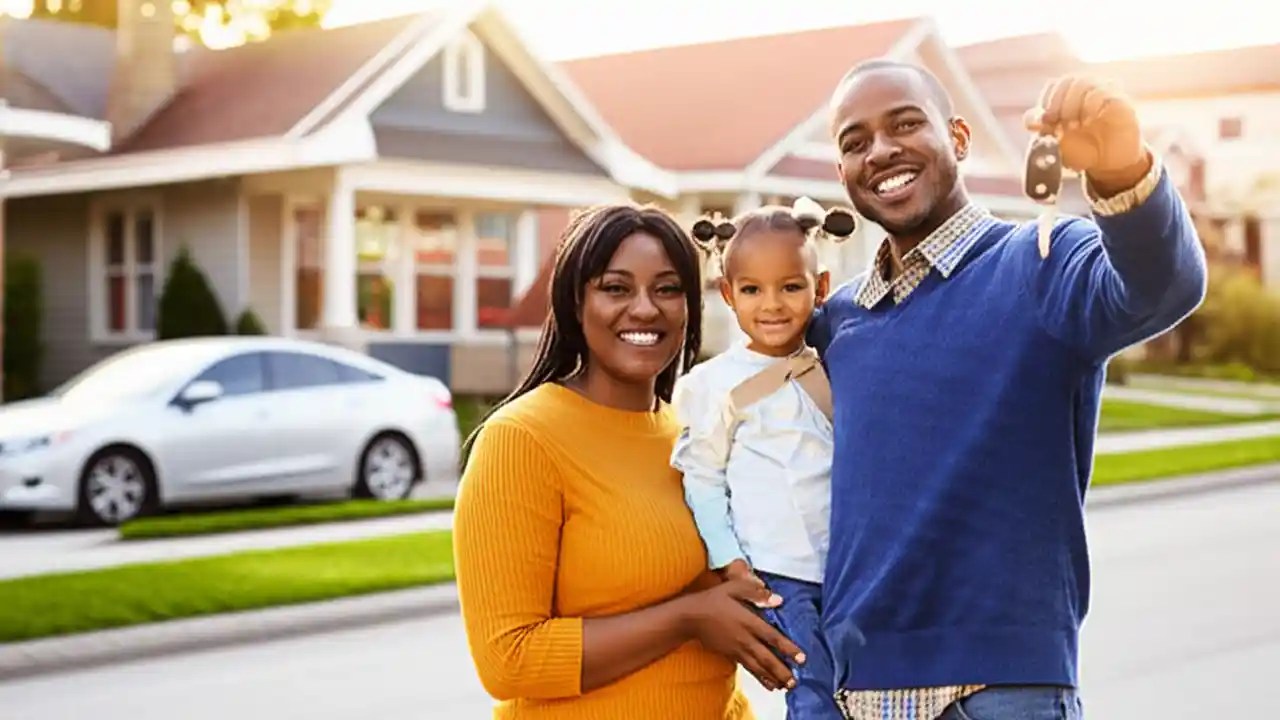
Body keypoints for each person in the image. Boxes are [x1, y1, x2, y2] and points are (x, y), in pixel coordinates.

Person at [808, 61, 1208, 720]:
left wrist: (1122, 170)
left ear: (959, 138)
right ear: (843, 174)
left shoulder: (1043, 261)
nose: (880, 150)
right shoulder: (837, 323)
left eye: (905, 124)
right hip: (856, 696)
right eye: (855, 142)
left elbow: (1165, 285)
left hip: (999, 693)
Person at [453, 203, 806, 720]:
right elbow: (509, 660)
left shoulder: (695, 431)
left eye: (667, 289)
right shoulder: (522, 439)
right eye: (616, 288)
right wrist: (688, 618)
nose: (644, 309)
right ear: (576, 302)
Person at [671, 198, 856, 719]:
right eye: (752, 289)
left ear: (819, 288)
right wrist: (730, 562)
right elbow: (702, 479)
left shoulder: (835, 366)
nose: (772, 304)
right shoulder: (715, 385)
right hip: (778, 575)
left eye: (790, 287)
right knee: (814, 691)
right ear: (728, 295)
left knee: (862, 687)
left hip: (846, 566)